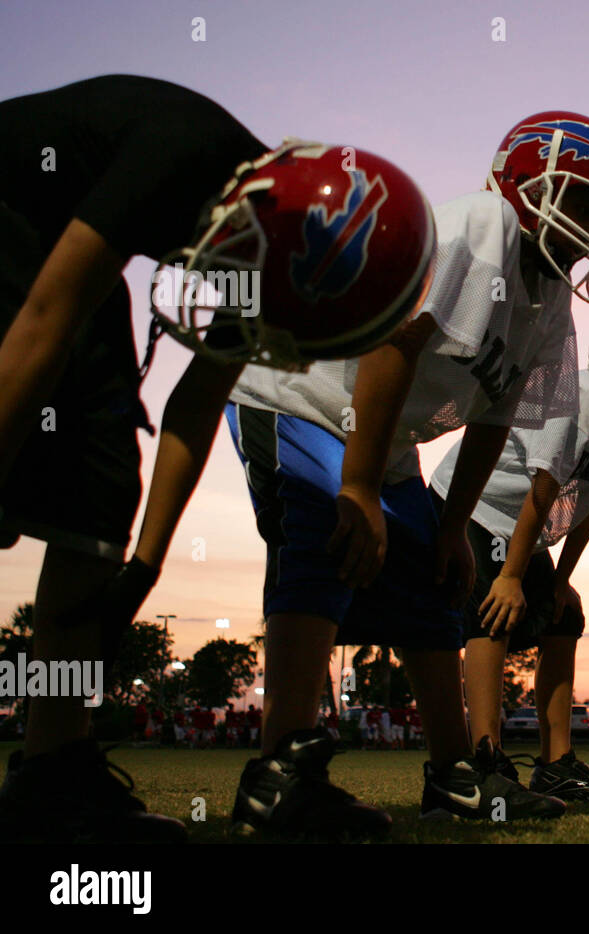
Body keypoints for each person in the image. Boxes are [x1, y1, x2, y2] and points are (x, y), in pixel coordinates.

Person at [0, 75, 436, 843]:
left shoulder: (260, 241)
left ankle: (51, 770)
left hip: (50, 242)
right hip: (9, 210)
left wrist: (142, 568)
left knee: (100, 482)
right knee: (60, 391)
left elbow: (196, 406)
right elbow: (44, 317)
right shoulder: (182, 149)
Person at [222, 111, 589, 833]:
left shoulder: (548, 301)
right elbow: (393, 342)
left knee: (433, 581)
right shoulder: (483, 226)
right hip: (301, 394)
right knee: (324, 543)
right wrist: (358, 487)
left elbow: (494, 420)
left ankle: (452, 776)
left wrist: (450, 527)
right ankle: (278, 774)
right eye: (580, 201)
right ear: (526, 181)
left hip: (379, 437)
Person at [434, 297, 589, 801]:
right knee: (494, 616)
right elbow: (544, 487)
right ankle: (487, 759)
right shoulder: (578, 395)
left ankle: (556, 765)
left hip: (521, 525)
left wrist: (561, 580)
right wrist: (510, 577)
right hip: (476, 506)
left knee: (563, 616)